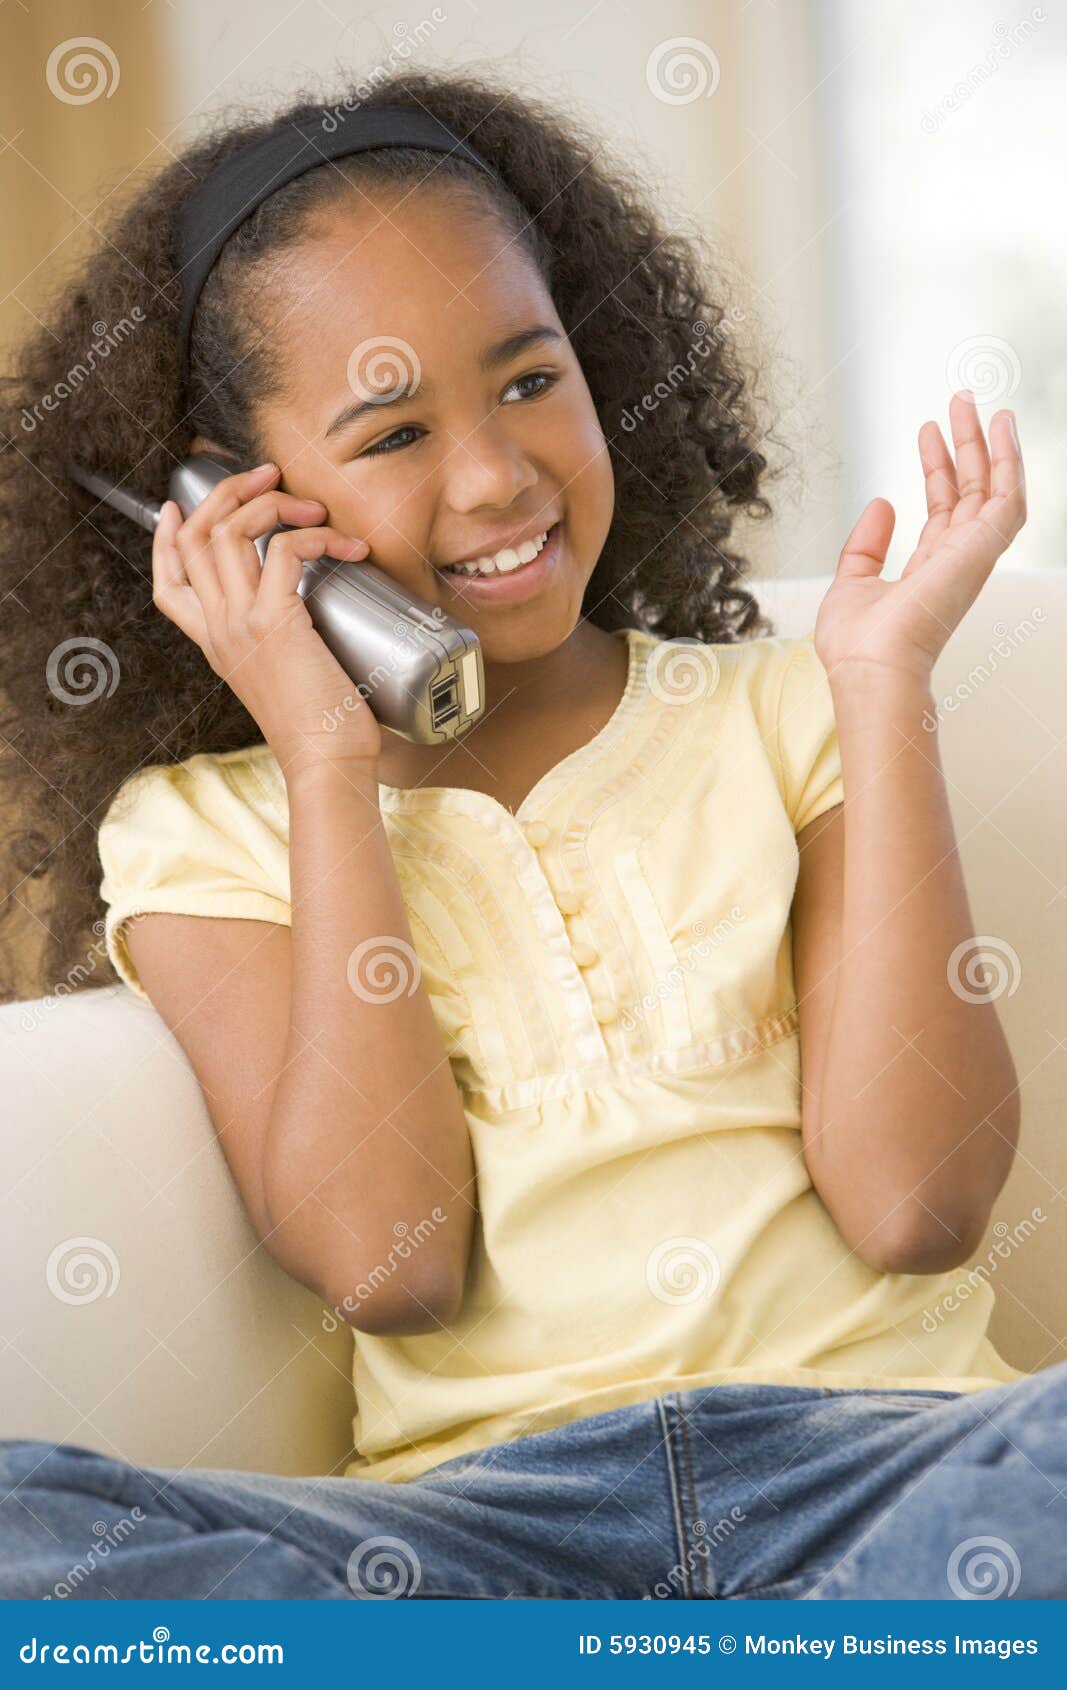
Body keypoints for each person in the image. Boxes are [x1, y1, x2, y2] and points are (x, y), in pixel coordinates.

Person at [0, 67, 1050, 1602]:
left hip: (893, 1460)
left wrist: (885, 689)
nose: (495, 474)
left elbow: (914, 1201)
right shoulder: (205, 831)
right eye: (393, 430)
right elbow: (391, 1259)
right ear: (238, 507)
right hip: (494, 1533)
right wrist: (325, 757)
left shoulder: (791, 707)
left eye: (529, 379)